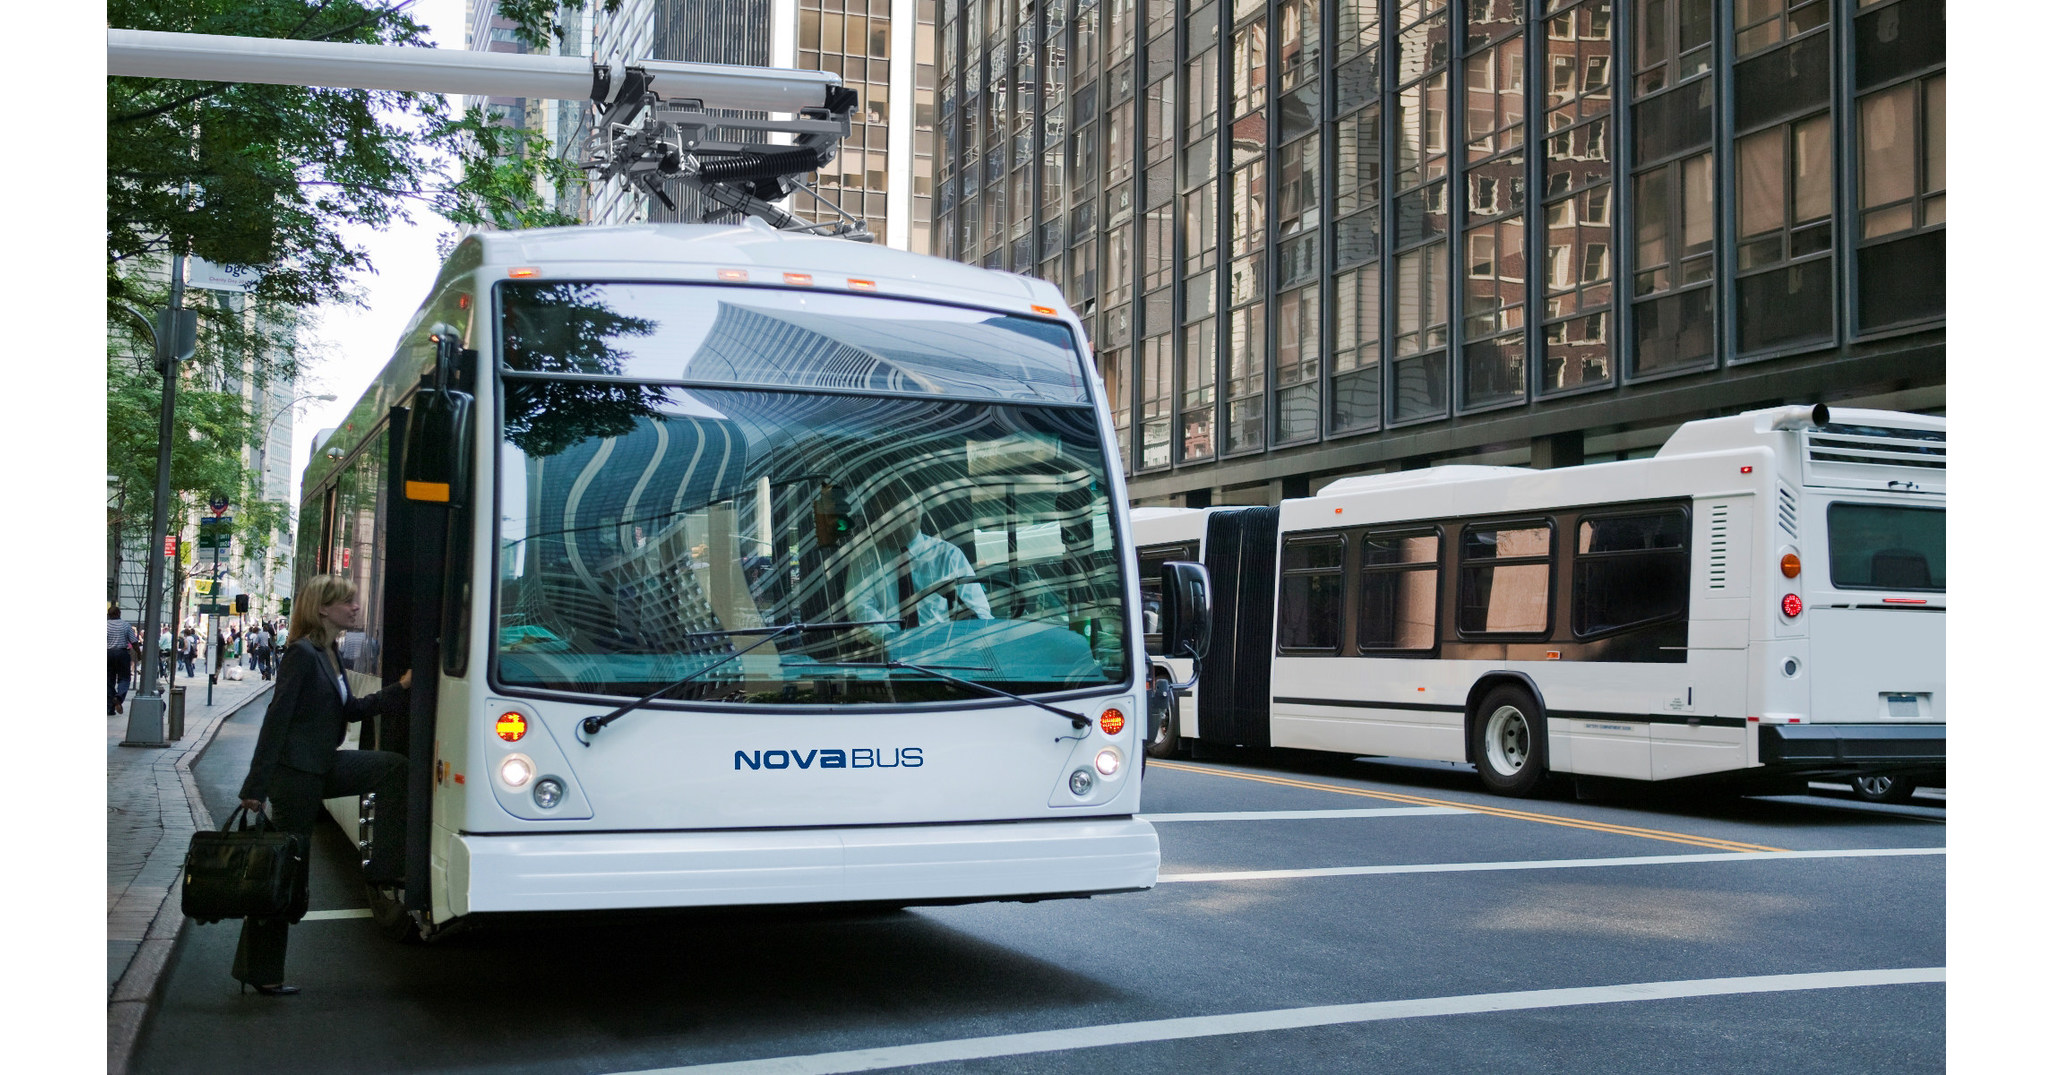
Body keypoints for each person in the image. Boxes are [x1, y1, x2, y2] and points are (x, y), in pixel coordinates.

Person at [232, 574, 411, 996]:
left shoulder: (330, 653)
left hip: (321, 766)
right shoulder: (301, 654)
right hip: (294, 777)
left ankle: (384, 869)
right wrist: (255, 787)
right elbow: (276, 720)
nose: (355, 608)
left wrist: (399, 689)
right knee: (285, 875)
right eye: (347, 602)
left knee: (394, 768)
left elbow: (352, 709)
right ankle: (261, 971)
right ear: (323, 609)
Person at [845, 497, 992, 638]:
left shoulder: (948, 555)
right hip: (888, 655)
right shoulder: (866, 557)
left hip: (942, 653)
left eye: (886, 516)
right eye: (876, 516)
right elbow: (859, 609)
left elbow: (980, 613)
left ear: (912, 514)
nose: (878, 524)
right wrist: (893, 641)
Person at [107, 604, 140, 716]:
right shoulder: (125, 625)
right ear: (119, 614)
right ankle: (119, 697)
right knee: (124, 679)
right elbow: (134, 641)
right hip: (122, 653)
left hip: (107, 654)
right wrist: (139, 654)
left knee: (108, 681)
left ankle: (110, 708)